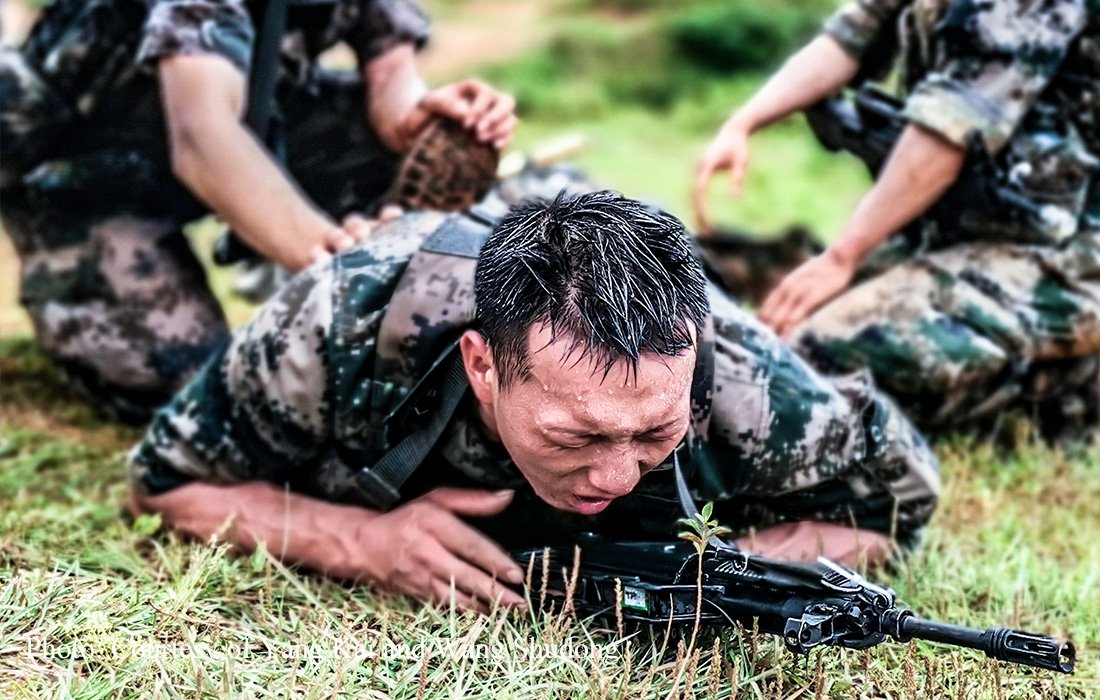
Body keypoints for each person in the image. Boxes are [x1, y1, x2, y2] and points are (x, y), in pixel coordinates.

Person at [127, 190, 940, 612]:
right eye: (575, 436)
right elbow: (162, 481)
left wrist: (727, 576)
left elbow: (898, 502)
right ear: (481, 366)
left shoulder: (743, 380)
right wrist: (356, 542)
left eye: (654, 432)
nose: (617, 476)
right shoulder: (339, 320)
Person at [0, 0, 515, 423]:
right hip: (86, 164)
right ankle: (357, 291)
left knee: (429, 141)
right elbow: (203, 135)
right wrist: (341, 257)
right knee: (193, 386)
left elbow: (391, 75)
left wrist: (414, 114)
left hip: (249, 118)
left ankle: (415, 302)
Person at [694, 0, 1099, 433]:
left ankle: (1063, 384)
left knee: (814, 359)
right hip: (958, 234)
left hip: (1060, 254)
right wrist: (742, 123)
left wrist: (842, 257)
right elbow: (850, 37)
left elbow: (952, 124)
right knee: (775, 337)